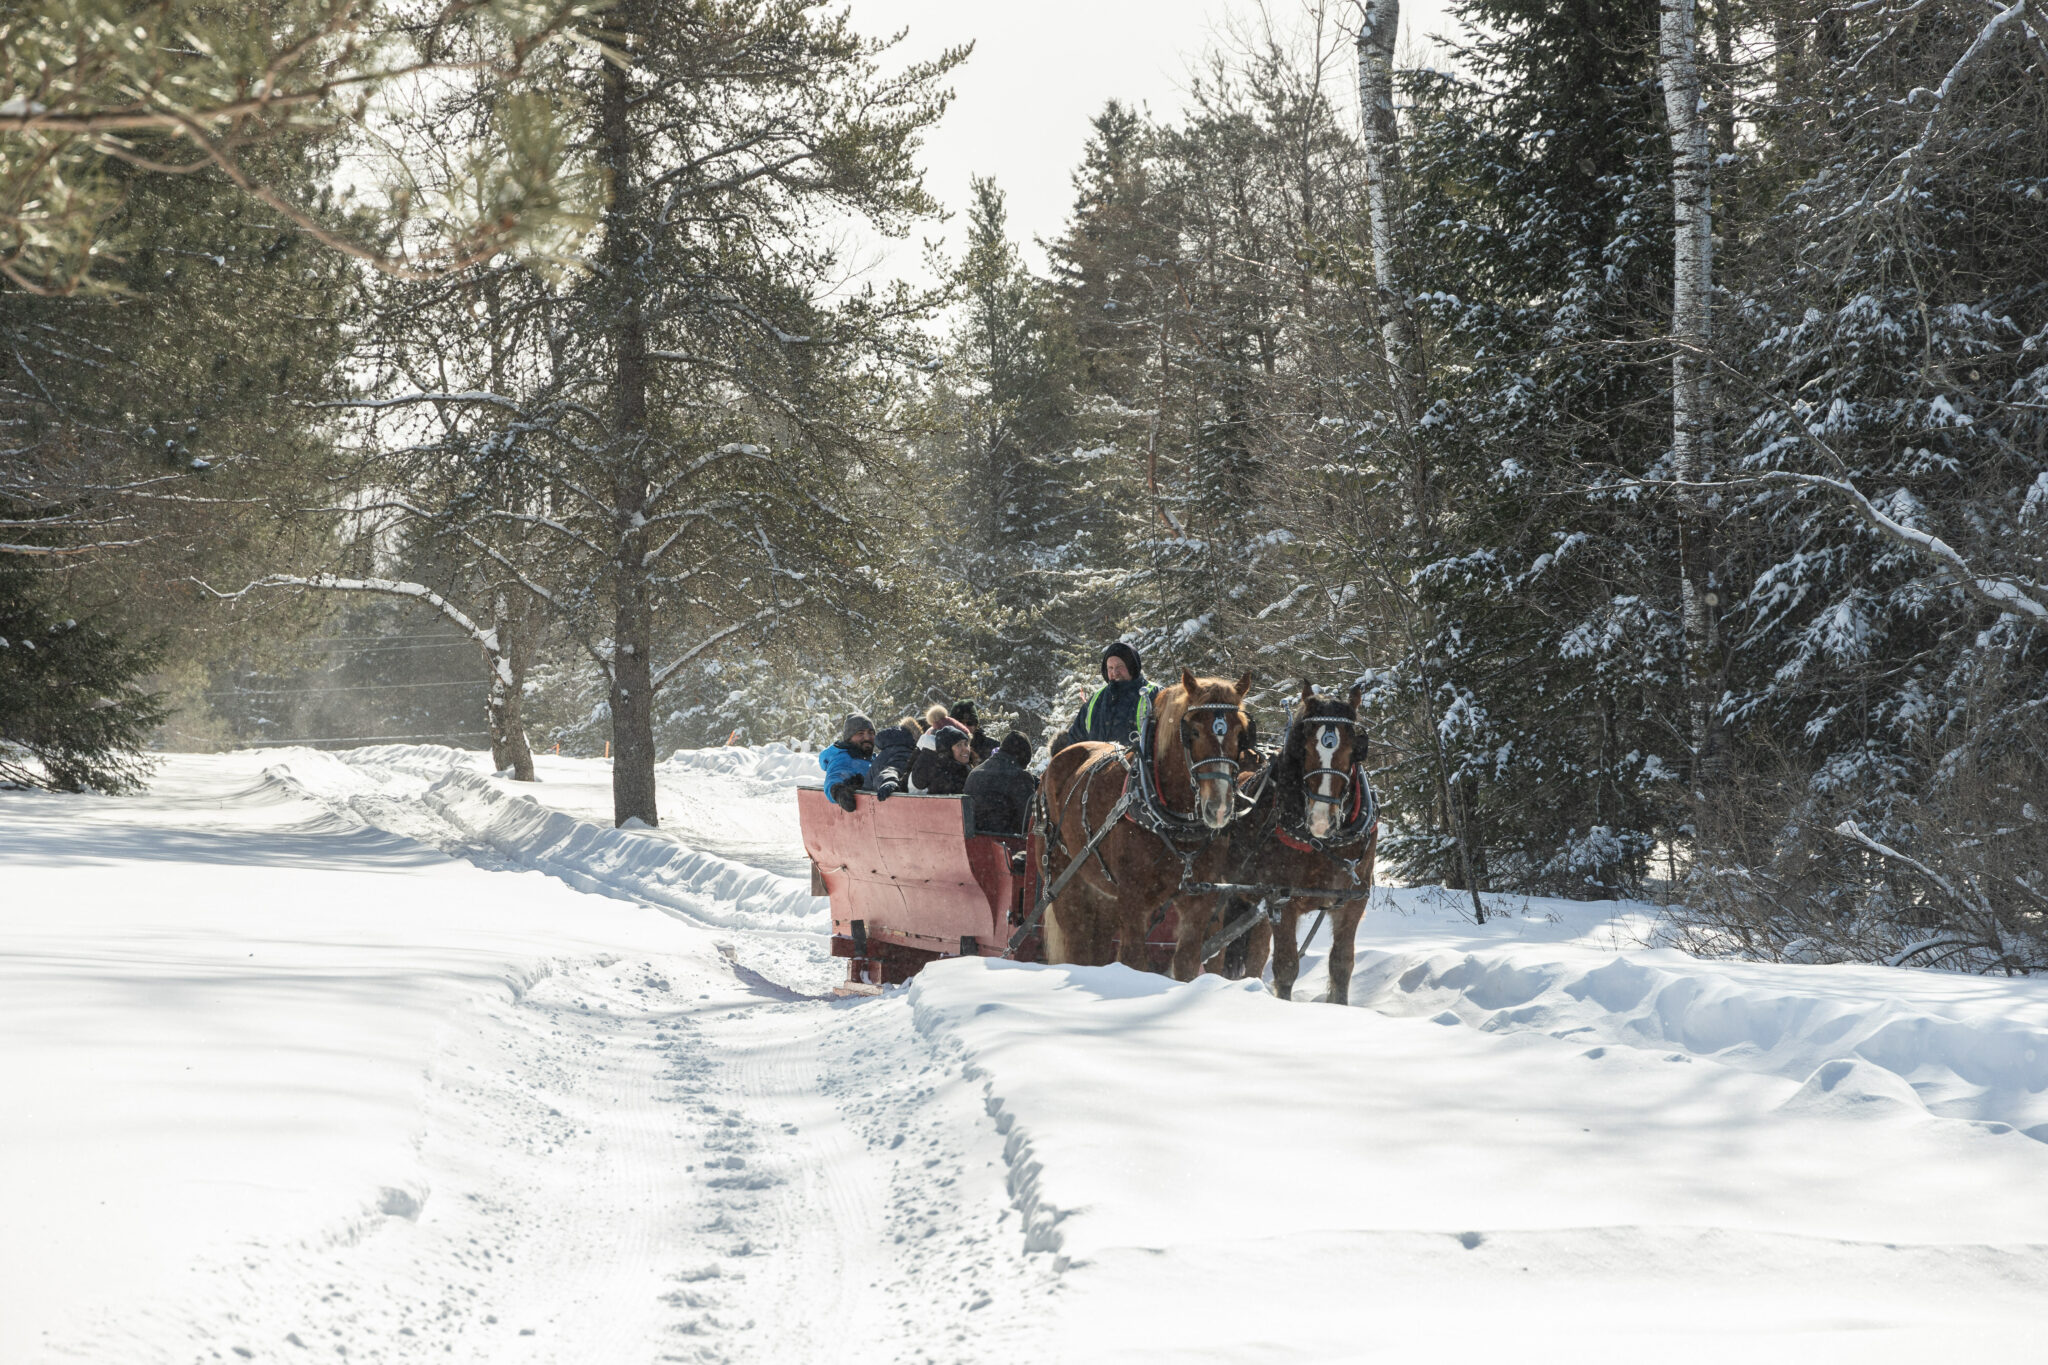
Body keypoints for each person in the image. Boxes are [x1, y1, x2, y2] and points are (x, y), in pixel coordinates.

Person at [1052, 641, 1159, 753]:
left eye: (1119, 666)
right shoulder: (1096, 700)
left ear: (1131, 667)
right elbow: (1076, 740)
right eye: (1110, 668)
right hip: (1099, 769)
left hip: (1141, 768)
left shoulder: (1153, 694)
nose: (1115, 672)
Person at [964, 731, 1037, 834]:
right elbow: (1028, 821)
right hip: (1008, 842)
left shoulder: (975, 773)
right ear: (1023, 757)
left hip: (976, 840)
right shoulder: (1019, 777)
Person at [818, 713, 874, 812]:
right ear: (849, 737)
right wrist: (839, 792)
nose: (867, 737)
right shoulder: (844, 757)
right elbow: (835, 776)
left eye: (871, 732)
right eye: (860, 733)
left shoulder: (872, 758)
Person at [911, 723, 974, 796]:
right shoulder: (943, 774)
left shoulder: (966, 769)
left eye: (966, 744)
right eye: (958, 745)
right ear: (948, 750)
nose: (965, 749)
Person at [868, 718, 921, 801]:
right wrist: (889, 781)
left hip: (872, 798)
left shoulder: (894, 746)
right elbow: (894, 768)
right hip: (883, 802)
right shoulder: (904, 749)